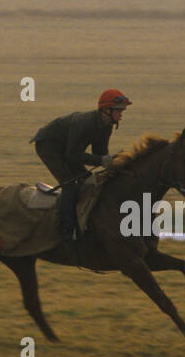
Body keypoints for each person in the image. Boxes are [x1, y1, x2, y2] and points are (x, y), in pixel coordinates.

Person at [30, 89, 132, 256]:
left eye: (122, 111)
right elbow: (73, 155)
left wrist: (114, 164)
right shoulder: (85, 123)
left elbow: (99, 153)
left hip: (68, 149)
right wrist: (102, 161)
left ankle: (84, 225)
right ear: (107, 109)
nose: (122, 114)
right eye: (119, 110)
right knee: (70, 185)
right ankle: (65, 232)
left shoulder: (106, 126)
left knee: (88, 181)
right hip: (48, 146)